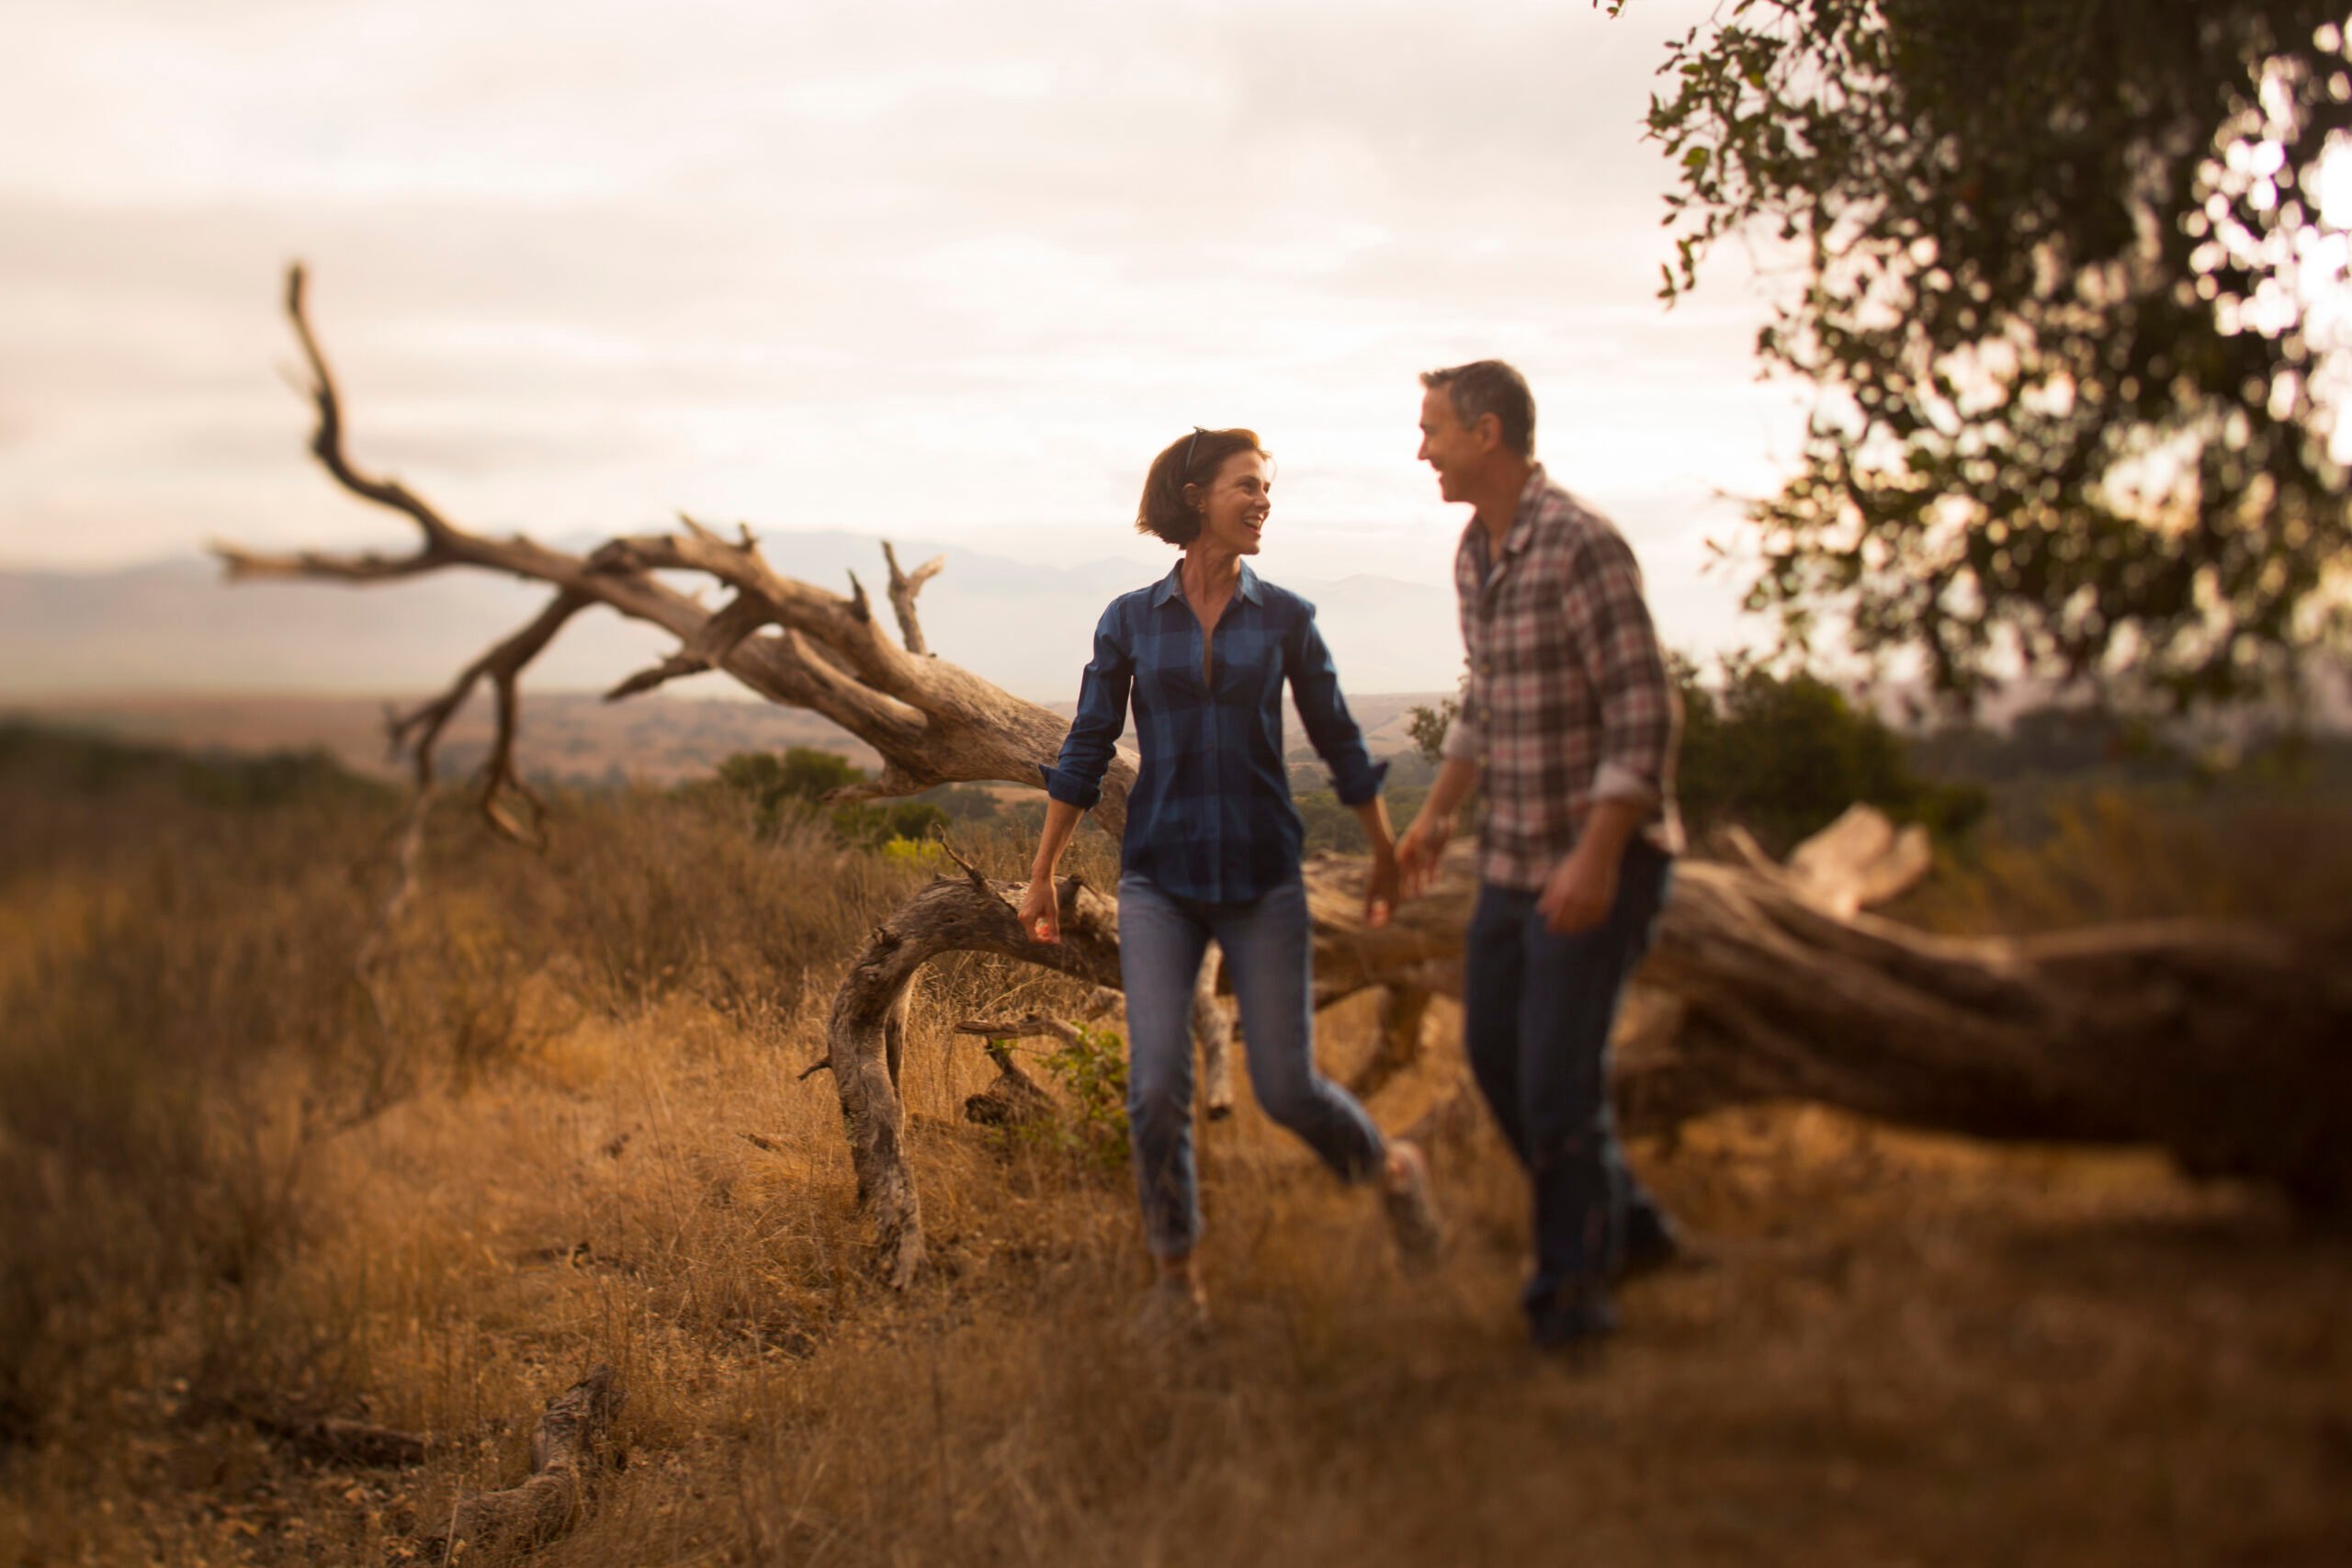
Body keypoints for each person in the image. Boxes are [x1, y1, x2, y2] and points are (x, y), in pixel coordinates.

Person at [1021, 425, 1440, 1327]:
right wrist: (1042, 870)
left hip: (1261, 877)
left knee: (1287, 1089)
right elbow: (1086, 746)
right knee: (1156, 1087)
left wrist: (1383, 851)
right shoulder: (1129, 619)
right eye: (1246, 485)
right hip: (1161, 878)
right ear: (1194, 498)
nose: (1262, 501)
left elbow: (1339, 740)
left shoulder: (1285, 616)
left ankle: (1392, 1170)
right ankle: (1177, 1282)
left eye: (1266, 488)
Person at [1394, 362, 1685, 1351]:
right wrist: (1438, 815)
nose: (1422, 450)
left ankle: (1570, 1303)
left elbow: (1646, 712)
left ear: (1487, 433)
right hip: (1513, 864)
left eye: (1433, 430)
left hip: (1601, 861)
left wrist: (1597, 857)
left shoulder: (1579, 544)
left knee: (1560, 1082)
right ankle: (1631, 1227)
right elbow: (1486, 697)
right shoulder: (1475, 552)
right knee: (1495, 1057)